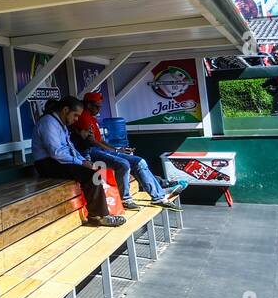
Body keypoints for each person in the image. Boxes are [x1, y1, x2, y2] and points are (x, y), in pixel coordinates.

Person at [73, 92, 185, 209]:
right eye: (97, 106)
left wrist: (117, 149)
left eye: (100, 106)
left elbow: (100, 140)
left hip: (100, 150)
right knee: (123, 164)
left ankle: (159, 196)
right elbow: (92, 142)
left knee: (139, 162)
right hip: (90, 152)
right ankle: (126, 199)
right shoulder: (83, 117)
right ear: (88, 105)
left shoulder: (91, 117)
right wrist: (116, 152)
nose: (99, 109)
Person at [31, 96, 125, 227]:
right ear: (65, 110)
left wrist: (84, 161)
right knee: (92, 176)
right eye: (75, 115)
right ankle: (98, 216)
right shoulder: (48, 122)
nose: (76, 119)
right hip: (47, 164)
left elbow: (70, 149)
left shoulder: (61, 123)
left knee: (95, 171)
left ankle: (100, 213)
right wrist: (81, 163)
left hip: (59, 162)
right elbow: (56, 153)